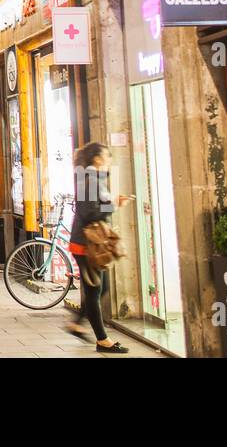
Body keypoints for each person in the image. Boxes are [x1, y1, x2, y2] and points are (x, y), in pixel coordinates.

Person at [67, 141, 133, 353]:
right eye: (107, 156)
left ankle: (76, 324)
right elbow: (89, 213)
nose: (110, 159)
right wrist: (114, 205)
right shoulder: (90, 180)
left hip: (87, 243)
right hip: (85, 245)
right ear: (97, 159)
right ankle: (102, 340)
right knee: (95, 290)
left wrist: (113, 201)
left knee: (100, 288)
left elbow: (94, 208)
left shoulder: (93, 179)